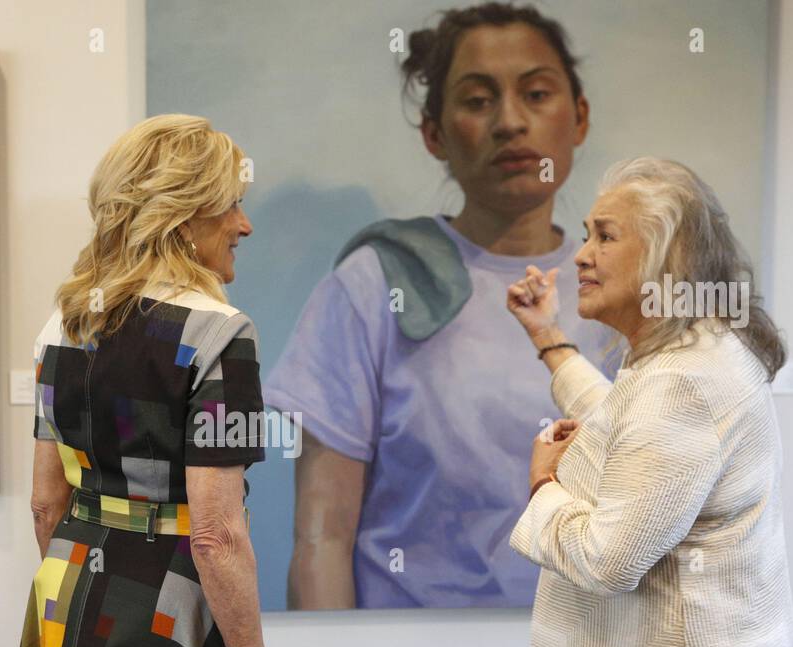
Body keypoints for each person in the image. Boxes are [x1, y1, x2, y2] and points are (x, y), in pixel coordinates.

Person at [0, 114, 285, 647]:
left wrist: (82, 592)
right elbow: (217, 535)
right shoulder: (219, 334)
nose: (244, 224)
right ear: (183, 218)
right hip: (172, 610)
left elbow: (46, 503)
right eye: (229, 207)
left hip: (70, 600)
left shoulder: (66, 322)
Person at [263, 2, 617, 609]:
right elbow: (322, 538)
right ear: (435, 133)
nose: (510, 121)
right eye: (478, 100)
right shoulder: (376, 285)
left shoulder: (629, 290)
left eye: (536, 93)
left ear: (579, 117)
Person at [506, 157, 793, 647]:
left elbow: (610, 558)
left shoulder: (683, 384)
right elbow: (628, 430)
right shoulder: (689, 359)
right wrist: (549, 340)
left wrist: (545, 489)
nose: (580, 254)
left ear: (669, 258)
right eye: (585, 234)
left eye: (605, 236)